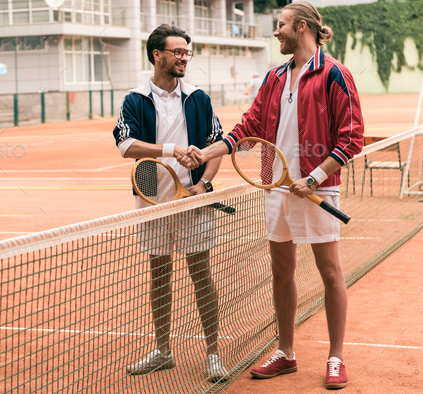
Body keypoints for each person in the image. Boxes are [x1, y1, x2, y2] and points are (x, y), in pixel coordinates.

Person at [179, 2, 364, 389]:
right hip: (275, 186)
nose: (275, 32)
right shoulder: (274, 77)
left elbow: (351, 138)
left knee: (329, 272)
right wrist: (207, 151)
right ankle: (286, 352)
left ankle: (335, 358)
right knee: (282, 271)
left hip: (319, 187)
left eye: (280, 26)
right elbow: (248, 126)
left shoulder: (335, 74)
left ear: (300, 27)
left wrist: (312, 179)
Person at [112, 24, 229, 383]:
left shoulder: (198, 97)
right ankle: (163, 350)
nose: (183, 58)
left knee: (201, 275)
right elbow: (125, 145)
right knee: (159, 274)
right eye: (177, 52)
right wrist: (170, 150)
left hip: (192, 202)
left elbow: (216, 144)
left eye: (186, 52)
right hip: (152, 198)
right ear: (156, 55)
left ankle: (213, 354)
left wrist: (204, 184)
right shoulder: (134, 98)